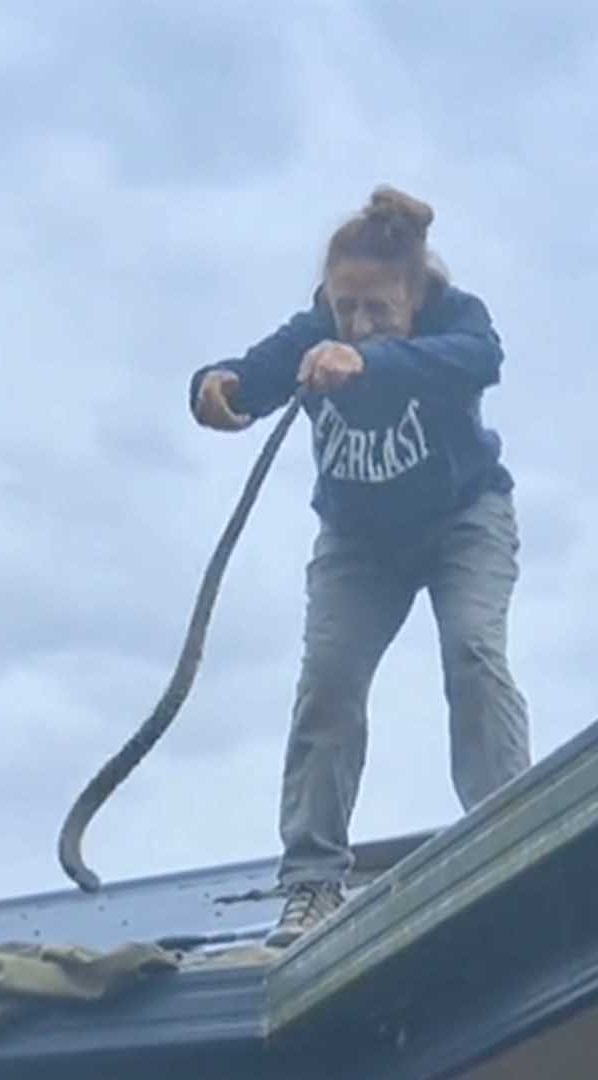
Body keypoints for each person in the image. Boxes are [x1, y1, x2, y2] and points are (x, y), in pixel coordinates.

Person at [190, 187, 529, 948]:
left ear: (415, 295)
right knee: (330, 685)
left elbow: (483, 359)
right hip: (358, 548)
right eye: (347, 309)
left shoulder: (456, 321)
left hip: (463, 522)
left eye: (379, 307)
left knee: (473, 652)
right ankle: (312, 885)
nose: (360, 322)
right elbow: (253, 370)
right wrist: (216, 388)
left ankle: (513, 841)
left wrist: (370, 360)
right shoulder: (317, 330)